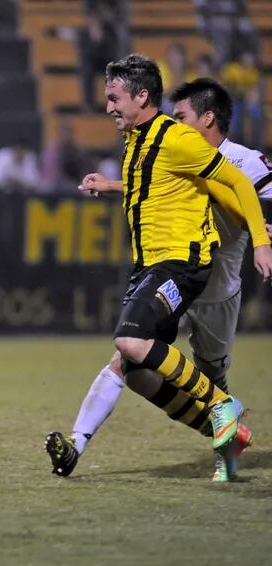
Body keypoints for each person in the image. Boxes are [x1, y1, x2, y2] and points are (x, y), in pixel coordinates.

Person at [44, 55, 272, 482]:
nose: (175, 118)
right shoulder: (148, 143)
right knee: (133, 368)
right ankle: (78, 444)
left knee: (188, 368)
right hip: (166, 270)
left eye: (182, 113)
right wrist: (109, 185)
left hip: (209, 284)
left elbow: (242, 189)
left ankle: (223, 419)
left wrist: (262, 240)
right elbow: (152, 181)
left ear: (207, 118)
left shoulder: (223, 155)